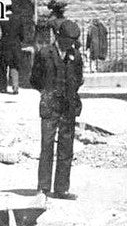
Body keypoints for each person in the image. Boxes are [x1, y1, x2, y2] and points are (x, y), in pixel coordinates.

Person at [30, 16, 83, 200]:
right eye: (68, 41)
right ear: (59, 37)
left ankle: (61, 189)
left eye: (73, 42)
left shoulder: (75, 56)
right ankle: (43, 188)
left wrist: (71, 94)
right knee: (47, 146)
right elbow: (34, 80)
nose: (71, 44)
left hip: (68, 107)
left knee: (66, 148)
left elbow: (79, 78)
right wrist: (47, 93)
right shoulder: (45, 53)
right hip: (50, 106)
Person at [0, 0, 23, 94]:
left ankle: (3, 87)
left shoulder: (0, 19)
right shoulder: (18, 19)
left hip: (3, 46)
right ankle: (15, 86)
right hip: (15, 46)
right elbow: (21, 34)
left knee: (3, 67)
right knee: (14, 66)